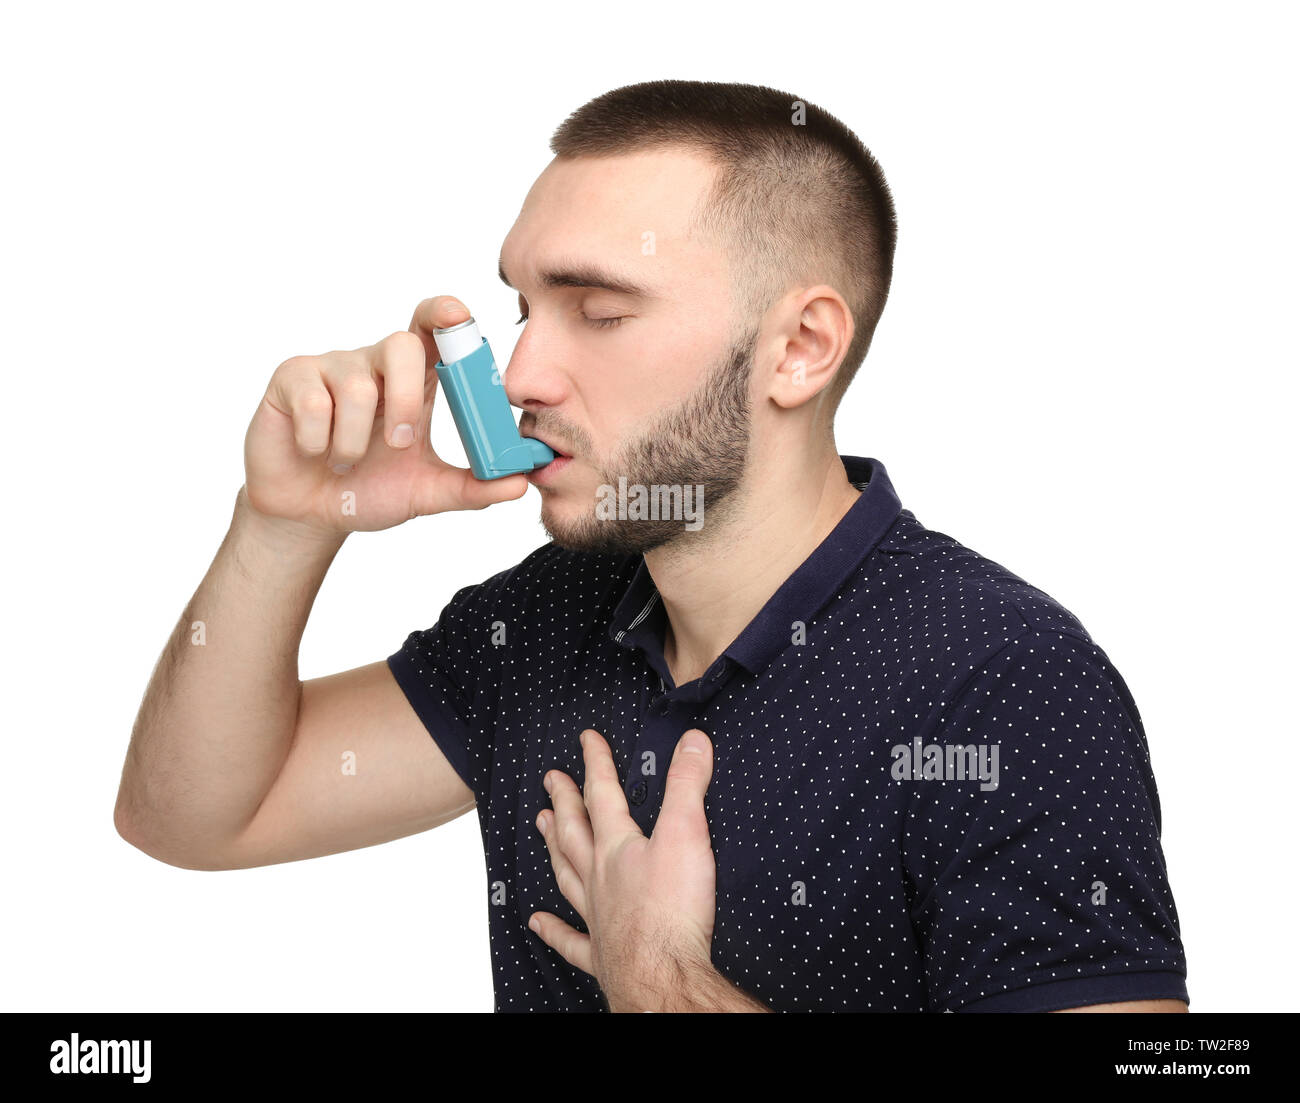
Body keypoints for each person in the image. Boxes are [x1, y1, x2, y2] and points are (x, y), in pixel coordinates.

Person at [115, 79, 1188, 1013]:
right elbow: (196, 815)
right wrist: (287, 524)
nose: (520, 374)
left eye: (600, 311)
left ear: (800, 347)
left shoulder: (1004, 680)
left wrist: (660, 982)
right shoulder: (544, 615)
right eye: (524, 307)